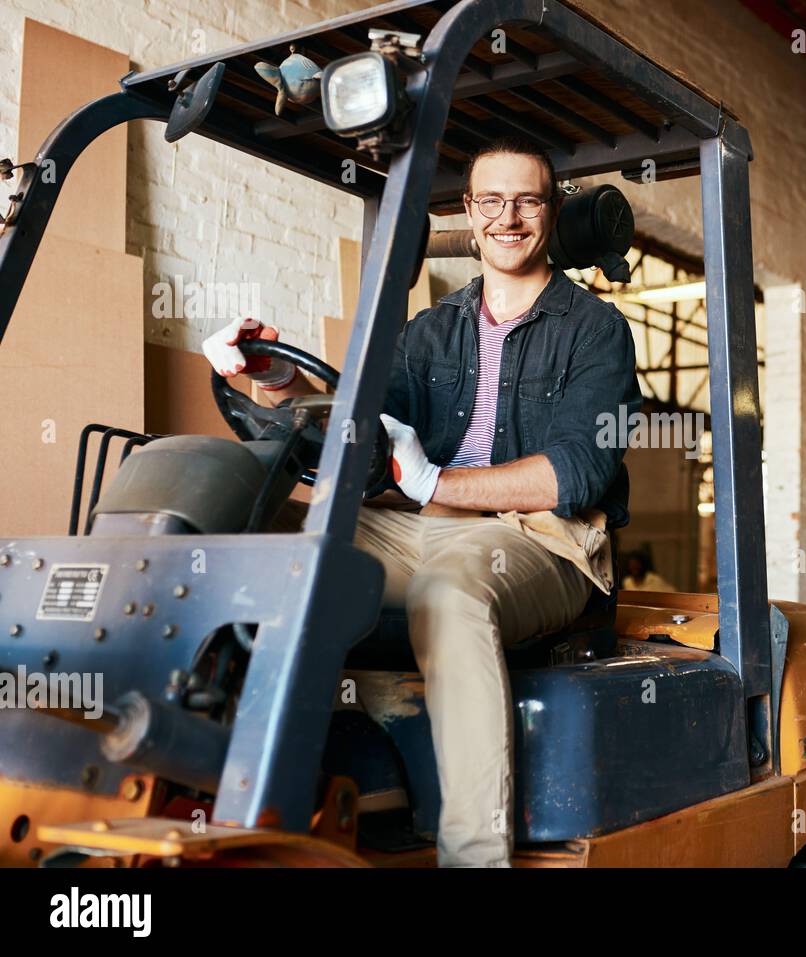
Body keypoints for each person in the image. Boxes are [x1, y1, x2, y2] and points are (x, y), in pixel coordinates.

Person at [202, 136, 641, 867]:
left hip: (539, 540)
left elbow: (576, 475)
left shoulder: (596, 331)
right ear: (469, 213)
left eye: (528, 200)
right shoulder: (429, 331)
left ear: (552, 211)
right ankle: (218, 794)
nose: (509, 217)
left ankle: (474, 856)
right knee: (252, 527)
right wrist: (278, 380)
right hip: (419, 527)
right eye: (491, 200)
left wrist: (435, 481)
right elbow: (367, 433)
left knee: (450, 590)